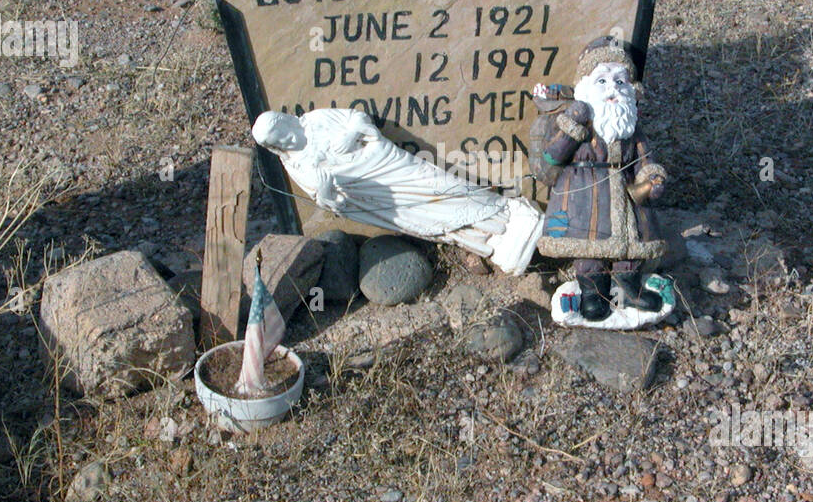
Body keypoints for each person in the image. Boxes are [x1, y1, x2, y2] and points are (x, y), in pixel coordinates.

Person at [253, 106, 543, 276]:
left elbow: (357, 118)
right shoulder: (297, 165)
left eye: (286, 133)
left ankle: (507, 214)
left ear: (287, 120)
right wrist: (327, 189)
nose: (290, 141)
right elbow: (330, 203)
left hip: (388, 164)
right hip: (378, 198)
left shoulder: (317, 120)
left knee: (442, 184)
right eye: (282, 143)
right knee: (429, 220)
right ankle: (490, 242)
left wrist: (352, 135)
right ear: (275, 147)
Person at [534, 36, 667, 321]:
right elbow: (550, 161)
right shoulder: (575, 120)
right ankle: (593, 292)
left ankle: (630, 287)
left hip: (625, 193)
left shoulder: (631, 127)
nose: (613, 90)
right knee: (588, 248)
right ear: (585, 87)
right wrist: (573, 125)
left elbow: (646, 159)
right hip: (582, 198)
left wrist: (652, 177)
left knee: (631, 247)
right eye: (603, 81)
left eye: (620, 82)